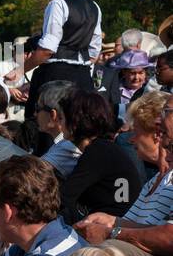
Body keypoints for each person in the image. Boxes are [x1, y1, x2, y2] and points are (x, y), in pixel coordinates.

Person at [73, 93, 173, 256]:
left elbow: (167, 237)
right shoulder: (155, 180)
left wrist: (111, 231)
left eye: (136, 132)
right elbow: (143, 227)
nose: (131, 139)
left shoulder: (169, 180)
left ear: (158, 134)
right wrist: (111, 221)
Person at [15, 0, 103, 153]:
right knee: (78, 134)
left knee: (45, 132)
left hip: (55, 75)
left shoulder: (58, 4)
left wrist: (20, 70)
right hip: (83, 77)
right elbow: (94, 51)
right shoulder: (94, 6)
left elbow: (47, 49)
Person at [58, 90, 142, 223]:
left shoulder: (97, 152)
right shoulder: (103, 148)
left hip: (114, 224)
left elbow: (65, 196)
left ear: (74, 124)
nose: (60, 124)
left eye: (62, 119)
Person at [34, 80, 82, 176]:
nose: (35, 114)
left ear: (53, 115)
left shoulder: (67, 148)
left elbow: (31, 176)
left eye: (37, 108)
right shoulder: (69, 142)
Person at [103, 48, 156, 125]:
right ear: (124, 72)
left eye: (140, 73)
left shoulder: (151, 91)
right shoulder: (114, 90)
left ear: (145, 73)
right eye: (132, 73)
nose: (136, 77)